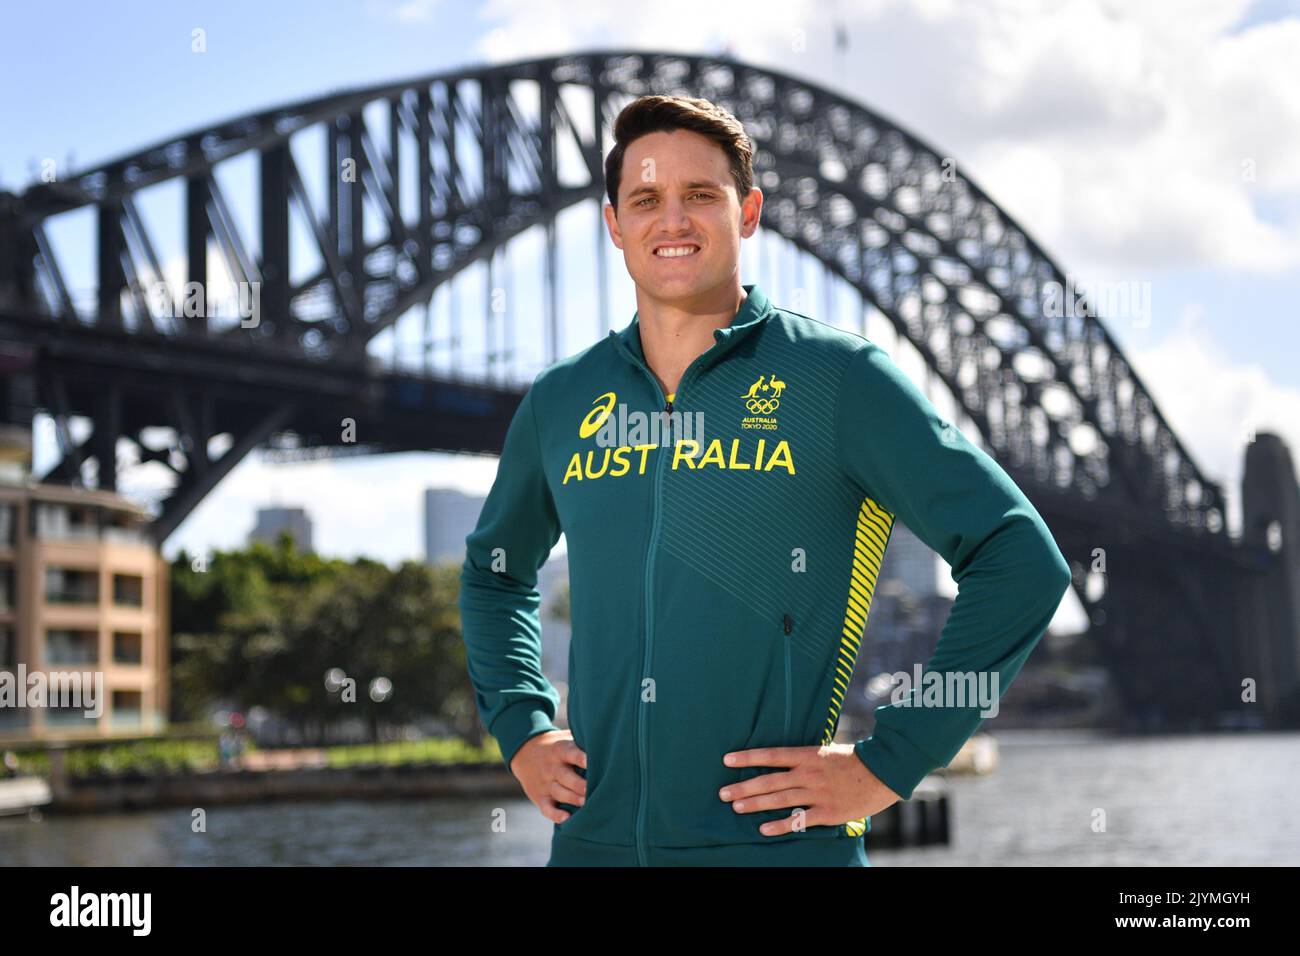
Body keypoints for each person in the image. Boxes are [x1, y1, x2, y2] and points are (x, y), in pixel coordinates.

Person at [458, 94, 1072, 867]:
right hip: (592, 849)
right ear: (614, 225)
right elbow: (493, 577)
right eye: (645, 199)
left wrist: (893, 760)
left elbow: (1019, 558)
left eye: (701, 196)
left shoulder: (838, 380)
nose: (672, 221)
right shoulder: (562, 400)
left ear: (747, 212)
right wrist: (524, 728)